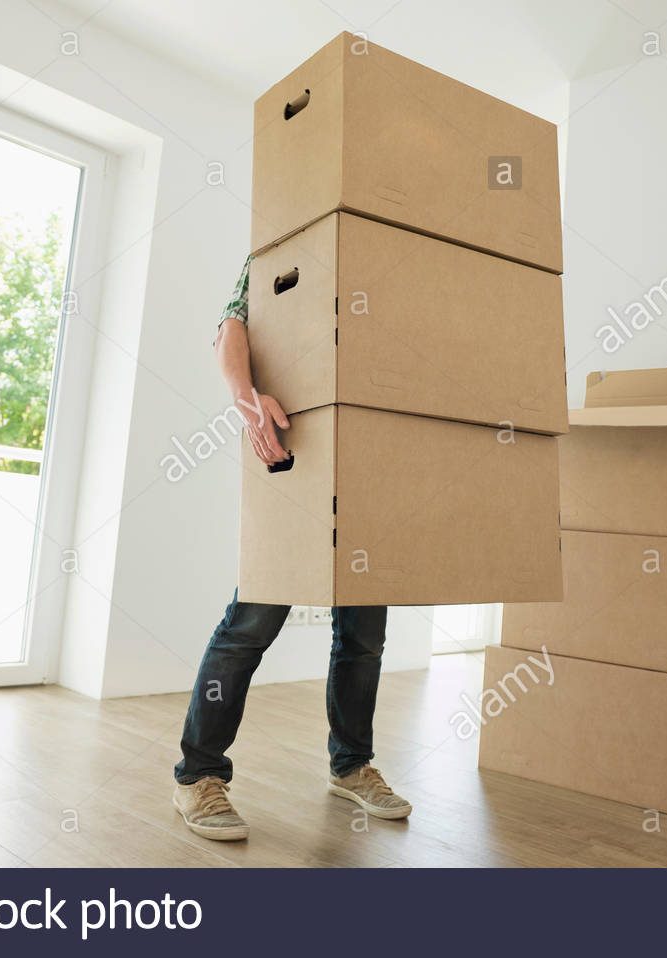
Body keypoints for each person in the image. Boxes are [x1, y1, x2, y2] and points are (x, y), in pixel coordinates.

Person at [172, 255, 412, 841]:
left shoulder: (397, 252)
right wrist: (248, 400)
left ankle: (352, 764)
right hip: (296, 458)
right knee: (251, 622)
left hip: (372, 465)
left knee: (363, 634)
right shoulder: (285, 244)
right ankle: (198, 775)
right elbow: (232, 327)